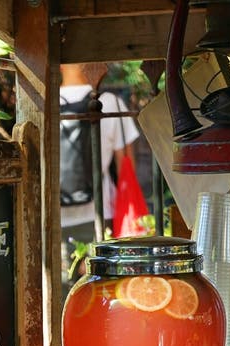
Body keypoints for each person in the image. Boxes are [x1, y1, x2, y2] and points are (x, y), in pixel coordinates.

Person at [59, 63, 141, 299]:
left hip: (55, 218)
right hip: (100, 211)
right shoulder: (110, 102)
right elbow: (127, 165)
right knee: (101, 292)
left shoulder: (42, 102)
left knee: (65, 296)